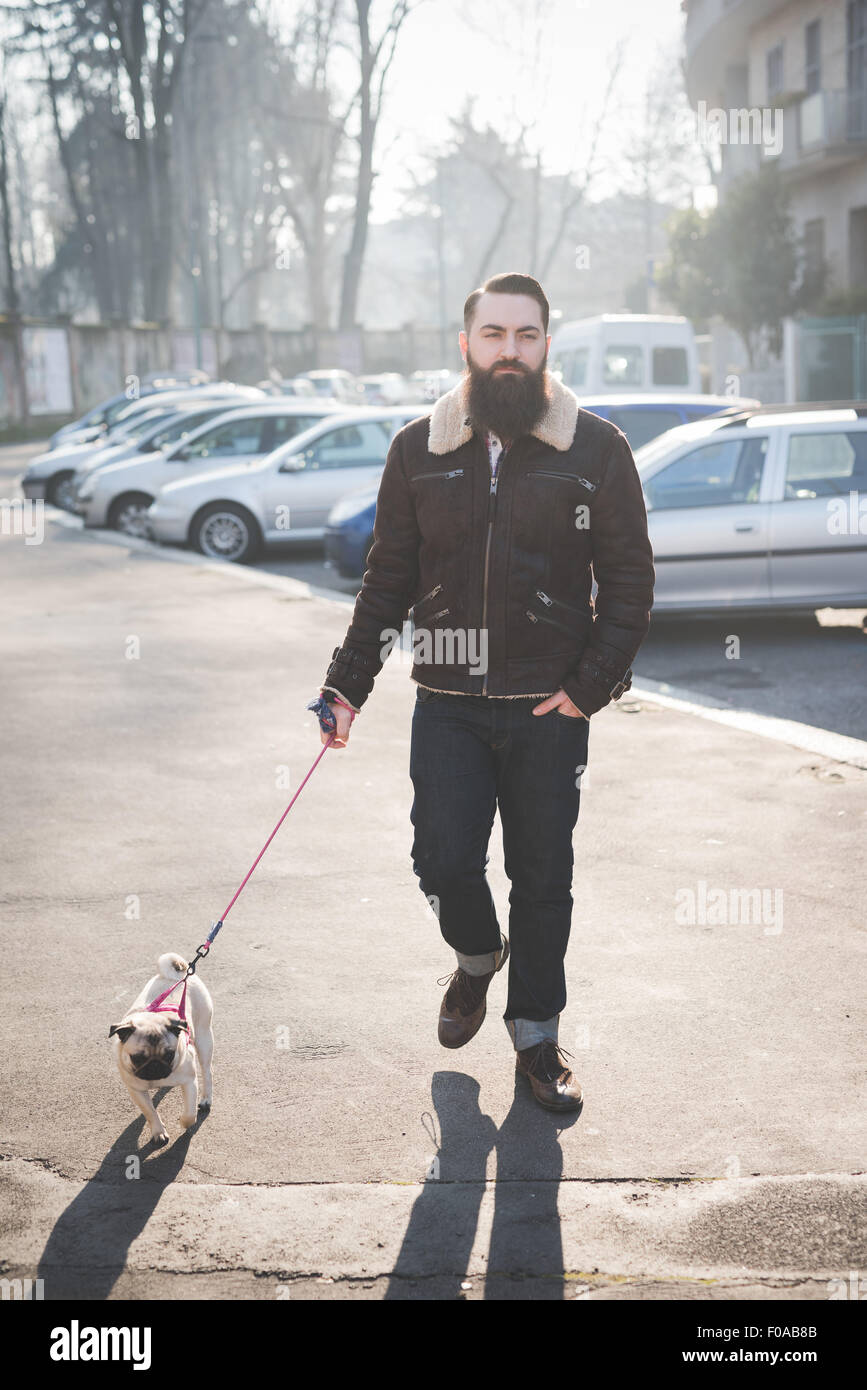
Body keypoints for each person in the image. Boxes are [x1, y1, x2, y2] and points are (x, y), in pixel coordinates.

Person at [317, 271, 654, 1112]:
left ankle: (535, 1037)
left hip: (548, 707)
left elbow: (628, 581)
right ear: (465, 343)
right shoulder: (417, 449)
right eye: (494, 334)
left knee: (542, 878)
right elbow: (387, 579)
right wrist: (345, 686)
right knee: (440, 860)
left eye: (525, 335)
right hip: (447, 700)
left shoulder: (595, 449)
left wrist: (588, 687)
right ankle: (476, 957)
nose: (510, 350)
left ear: (546, 345)